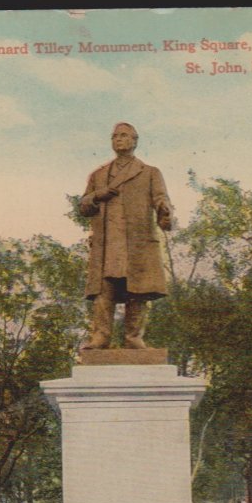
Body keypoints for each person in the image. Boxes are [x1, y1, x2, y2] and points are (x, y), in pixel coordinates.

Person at [79, 122, 173, 349]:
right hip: (108, 244)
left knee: (137, 291)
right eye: (114, 136)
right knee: (104, 291)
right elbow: (83, 207)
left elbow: (161, 199)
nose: (118, 139)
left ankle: (134, 338)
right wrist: (98, 195)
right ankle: (100, 337)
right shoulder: (99, 175)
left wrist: (165, 213)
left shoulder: (150, 172)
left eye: (123, 135)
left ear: (134, 141)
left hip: (137, 243)